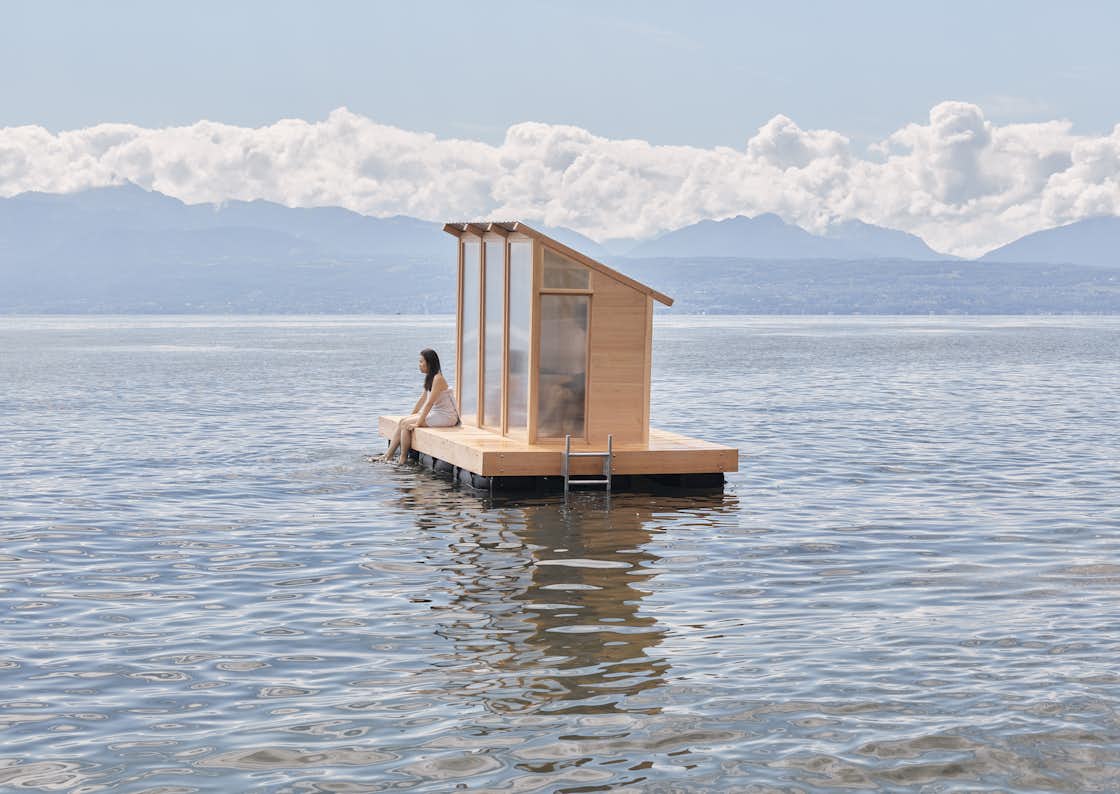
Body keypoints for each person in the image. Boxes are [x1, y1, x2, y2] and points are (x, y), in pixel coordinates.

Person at [375, 348, 459, 463]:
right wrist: (412, 416)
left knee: (405, 425)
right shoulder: (430, 377)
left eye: (421, 362)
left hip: (446, 416)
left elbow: (429, 403)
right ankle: (387, 456)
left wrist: (418, 423)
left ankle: (402, 459)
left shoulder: (438, 379)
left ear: (429, 363)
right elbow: (422, 399)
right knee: (403, 421)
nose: (419, 365)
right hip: (436, 413)